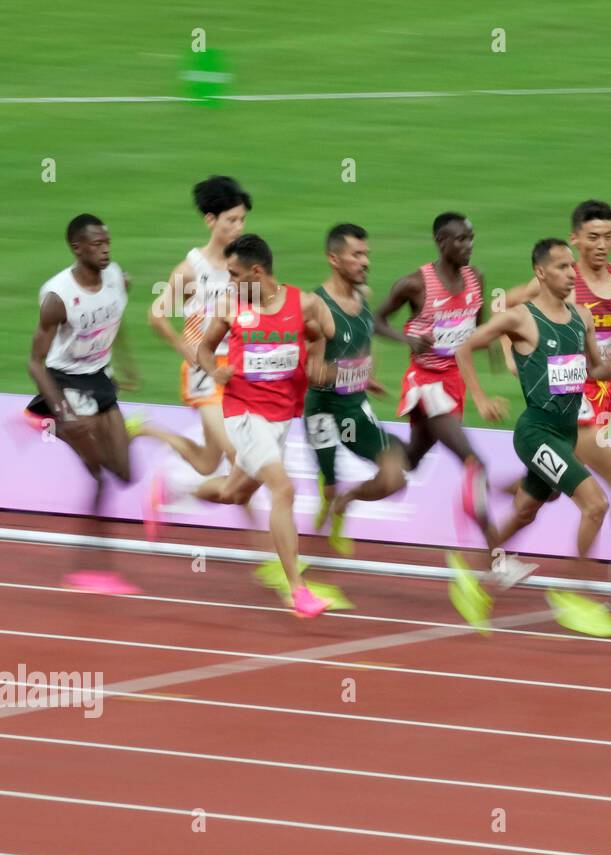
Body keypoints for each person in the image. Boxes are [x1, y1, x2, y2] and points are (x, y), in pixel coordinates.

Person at [501, 200, 611, 612]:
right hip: (572, 401)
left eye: (609, 236)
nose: (602, 245)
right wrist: (512, 355)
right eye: (593, 237)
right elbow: (504, 308)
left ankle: (497, 528)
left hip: (603, 394)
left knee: (538, 499)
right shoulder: (561, 280)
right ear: (575, 239)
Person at [454, 239, 611, 637]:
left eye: (572, 267)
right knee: (596, 504)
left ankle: (472, 578)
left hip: (566, 434)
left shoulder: (580, 318)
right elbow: (466, 347)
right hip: (536, 432)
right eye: (562, 267)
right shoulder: (521, 319)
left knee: (525, 511)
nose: (571, 274)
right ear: (540, 273)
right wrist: (480, 398)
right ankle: (575, 595)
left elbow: (592, 372)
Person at [372, 212, 534, 590]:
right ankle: (497, 559)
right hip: (425, 385)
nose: (468, 245)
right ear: (441, 243)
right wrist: (406, 339)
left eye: (471, 238)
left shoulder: (476, 278)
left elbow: (476, 329)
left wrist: (499, 354)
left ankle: (371, 464)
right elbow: (375, 320)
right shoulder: (414, 285)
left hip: (453, 382)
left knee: (410, 459)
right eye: (460, 239)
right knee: (473, 462)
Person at [184, 235, 334, 617]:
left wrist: (317, 363)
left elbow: (321, 337)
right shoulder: (229, 305)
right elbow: (202, 348)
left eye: (234, 275)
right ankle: (298, 592)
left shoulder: (305, 304)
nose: (230, 282)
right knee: (283, 490)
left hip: (282, 417)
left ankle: (171, 492)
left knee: (235, 493)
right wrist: (215, 370)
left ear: (256, 271)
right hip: (243, 414)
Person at [26, 214, 140, 594]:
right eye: (96, 244)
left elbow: (114, 317)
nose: (105, 249)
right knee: (98, 474)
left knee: (123, 473)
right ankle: (91, 567)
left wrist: (124, 362)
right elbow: (35, 362)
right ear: (77, 248)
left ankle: (60, 422)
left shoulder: (116, 277)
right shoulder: (58, 297)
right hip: (65, 383)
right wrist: (64, 411)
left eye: (108, 242)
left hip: (99, 378)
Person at [304, 224, 408, 555]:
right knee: (329, 485)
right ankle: (327, 510)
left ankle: (345, 503)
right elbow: (313, 372)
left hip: (353, 411)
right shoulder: (315, 306)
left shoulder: (363, 296)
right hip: (322, 410)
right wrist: (349, 373)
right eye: (357, 255)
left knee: (395, 479)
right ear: (334, 259)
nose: (365, 262)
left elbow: (362, 343)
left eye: (366, 255)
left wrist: (366, 375)